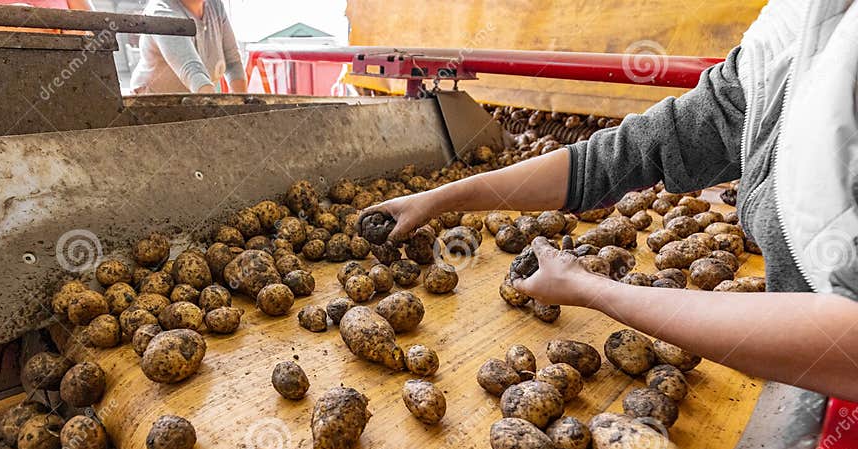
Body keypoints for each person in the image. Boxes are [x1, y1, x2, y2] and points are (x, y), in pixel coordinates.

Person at [366, 0, 858, 403]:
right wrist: (442, 198)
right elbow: (622, 155)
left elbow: (848, 344)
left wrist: (595, 290)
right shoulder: (793, 32)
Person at [129, 0, 247, 95]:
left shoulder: (215, 6)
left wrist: (243, 106)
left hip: (192, 101)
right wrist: (215, 110)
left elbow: (233, 63)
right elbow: (192, 71)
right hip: (153, 106)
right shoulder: (161, 12)